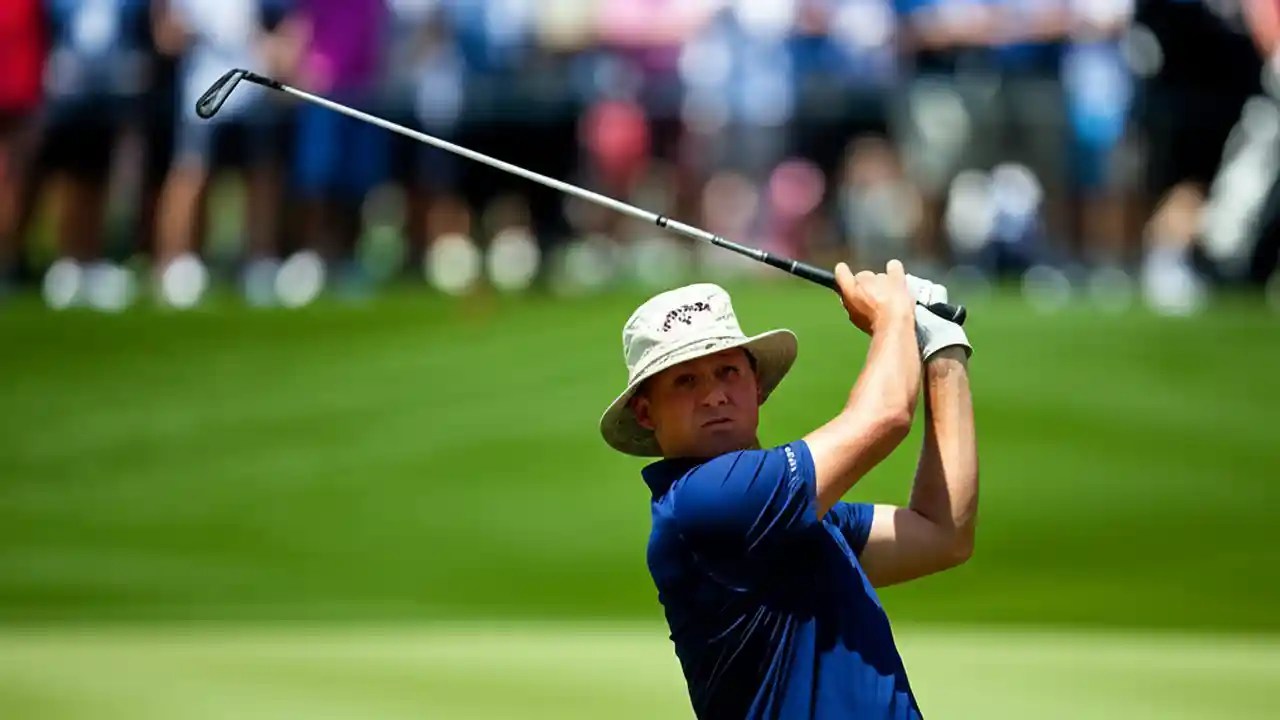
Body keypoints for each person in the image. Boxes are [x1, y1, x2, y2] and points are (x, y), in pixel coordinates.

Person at [598, 261, 977, 719]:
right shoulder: (707, 502)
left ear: (756, 385)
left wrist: (943, 349)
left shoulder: (786, 515)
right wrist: (893, 313)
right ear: (645, 413)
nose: (714, 395)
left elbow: (943, 534)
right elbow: (886, 417)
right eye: (685, 380)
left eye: (727, 371)